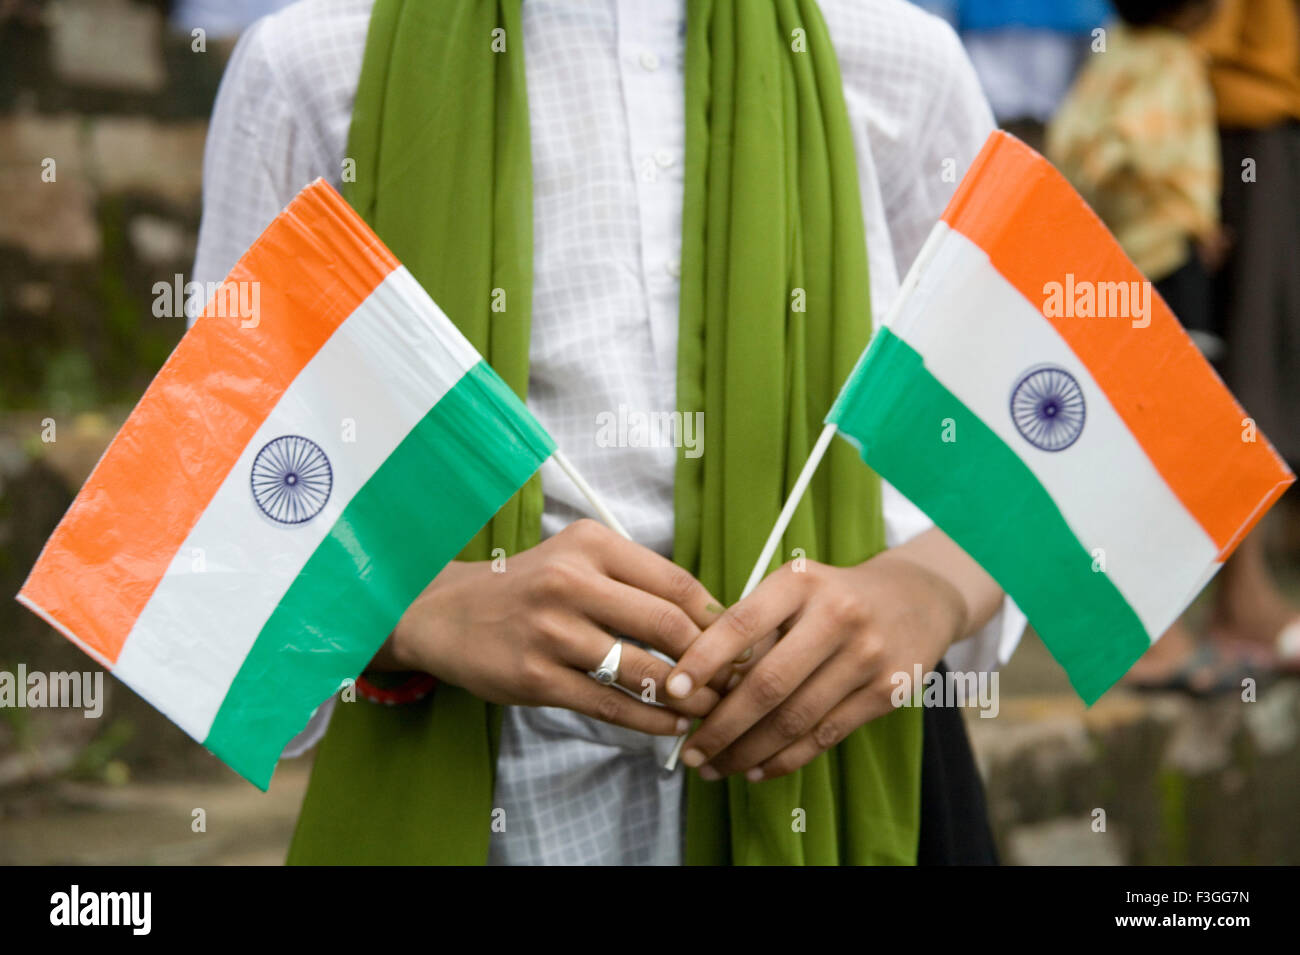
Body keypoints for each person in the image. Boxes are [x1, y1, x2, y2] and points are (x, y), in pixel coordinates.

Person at [192, 0, 1024, 865]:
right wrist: (416, 607)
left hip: (849, 772)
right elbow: (223, 503)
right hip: (493, 795)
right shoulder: (313, 62)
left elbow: (1014, 450)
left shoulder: (902, 59)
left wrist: (927, 591)